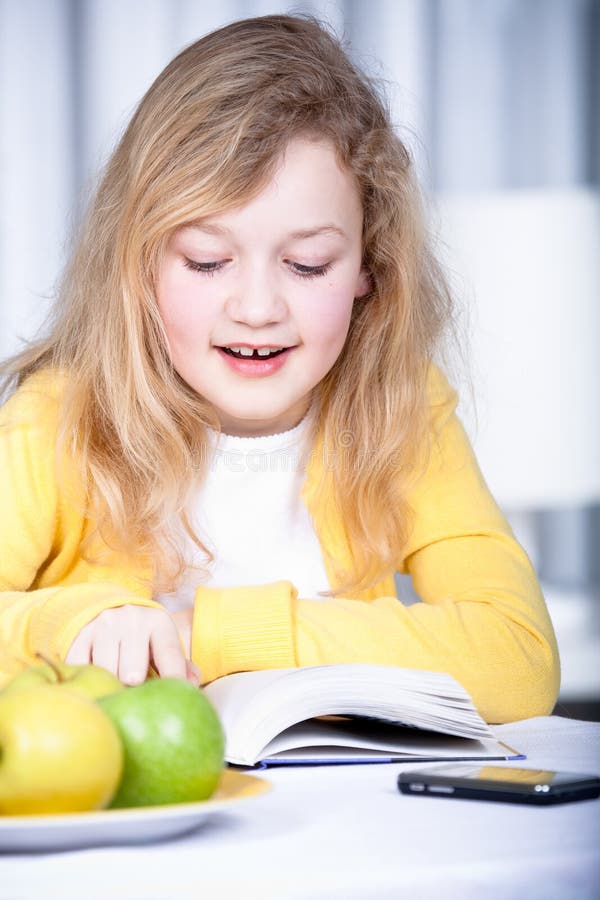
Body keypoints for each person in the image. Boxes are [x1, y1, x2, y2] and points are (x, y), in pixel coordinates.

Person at [0, 14, 559, 723]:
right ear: (138, 264)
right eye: (207, 260)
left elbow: (520, 657)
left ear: (368, 267)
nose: (258, 308)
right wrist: (70, 625)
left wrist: (207, 634)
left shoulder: (404, 408)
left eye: (307, 265)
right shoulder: (57, 418)